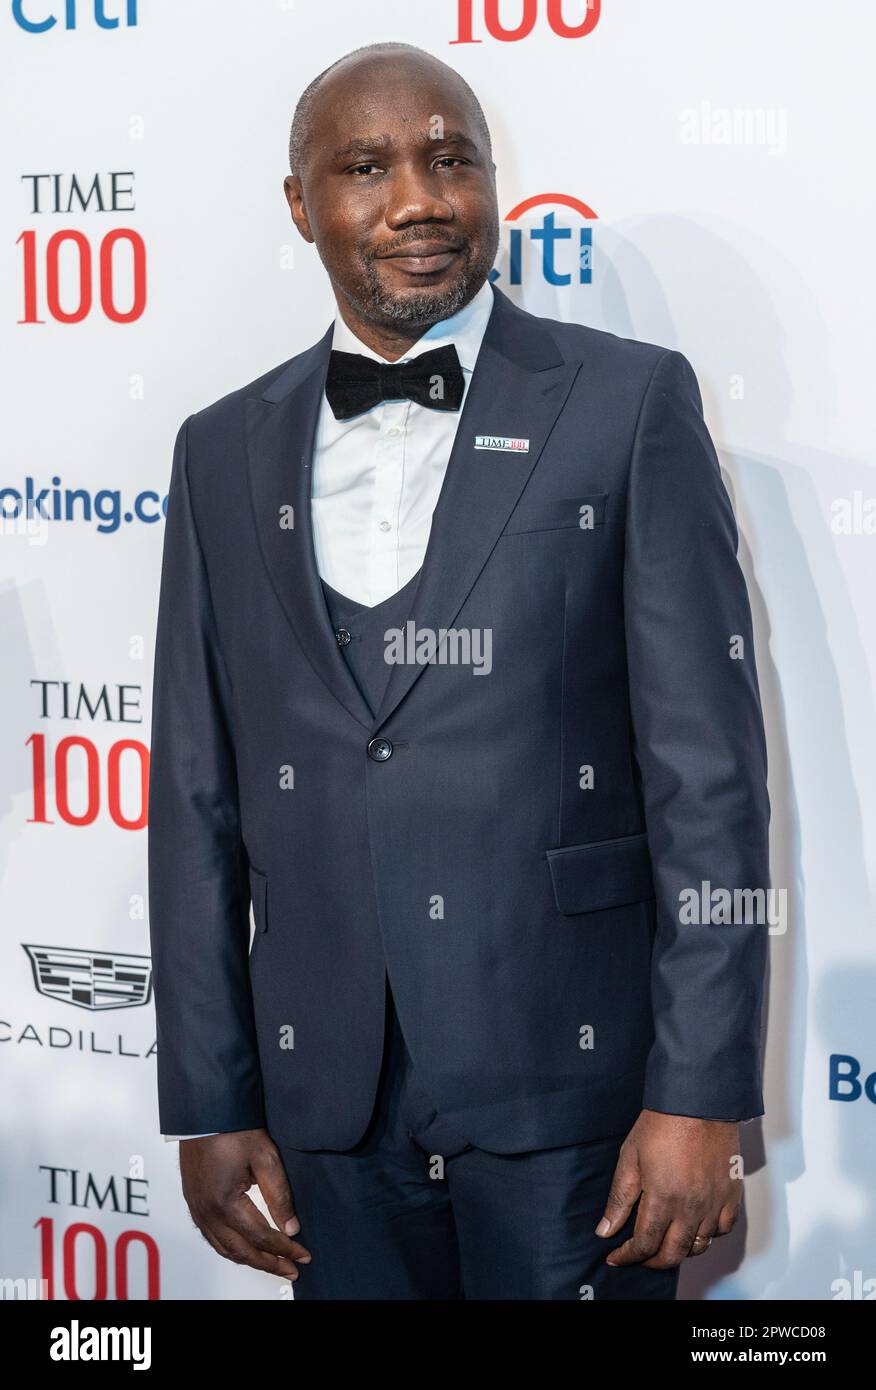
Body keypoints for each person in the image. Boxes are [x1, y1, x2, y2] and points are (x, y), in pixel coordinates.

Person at [147, 40, 771, 1300]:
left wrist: (700, 1094)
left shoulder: (627, 403)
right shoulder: (221, 449)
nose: (419, 199)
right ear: (299, 205)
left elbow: (710, 783)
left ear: (493, 180)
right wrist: (207, 1097)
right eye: (365, 167)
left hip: (577, 1106)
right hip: (330, 1105)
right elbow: (195, 798)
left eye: (451, 159)